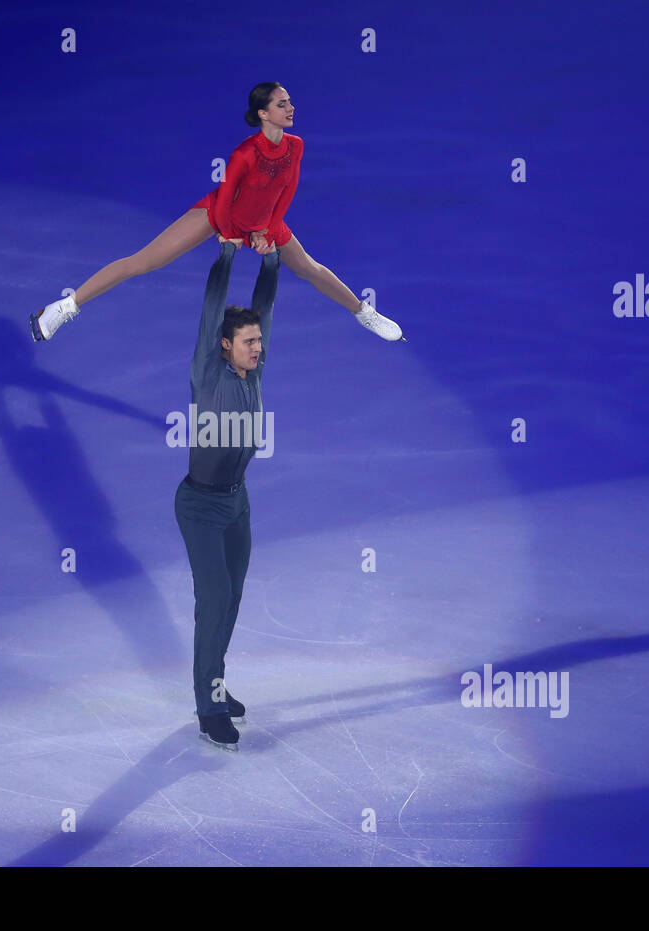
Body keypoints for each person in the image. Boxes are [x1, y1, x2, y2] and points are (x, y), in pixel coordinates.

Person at [29, 82, 403, 344]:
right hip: (219, 217)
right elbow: (224, 200)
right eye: (282, 104)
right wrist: (233, 233)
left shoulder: (295, 146)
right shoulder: (245, 153)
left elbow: (287, 190)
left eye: (290, 102)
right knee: (143, 262)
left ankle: (363, 313)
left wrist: (267, 230)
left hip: (266, 221)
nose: (291, 108)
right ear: (263, 113)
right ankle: (63, 307)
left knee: (310, 268)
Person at [176, 238, 278, 751]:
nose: (257, 347)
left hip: (238, 502)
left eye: (259, 340)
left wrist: (273, 257)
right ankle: (208, 708)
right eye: (247, 341)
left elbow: (267, 303)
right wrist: (228, 254)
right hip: (200, 506)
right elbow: (212, 307)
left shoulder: (253, 373)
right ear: (224, 346)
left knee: (231, 599)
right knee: (213, 600)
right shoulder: (207, 372)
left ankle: (215, 679)